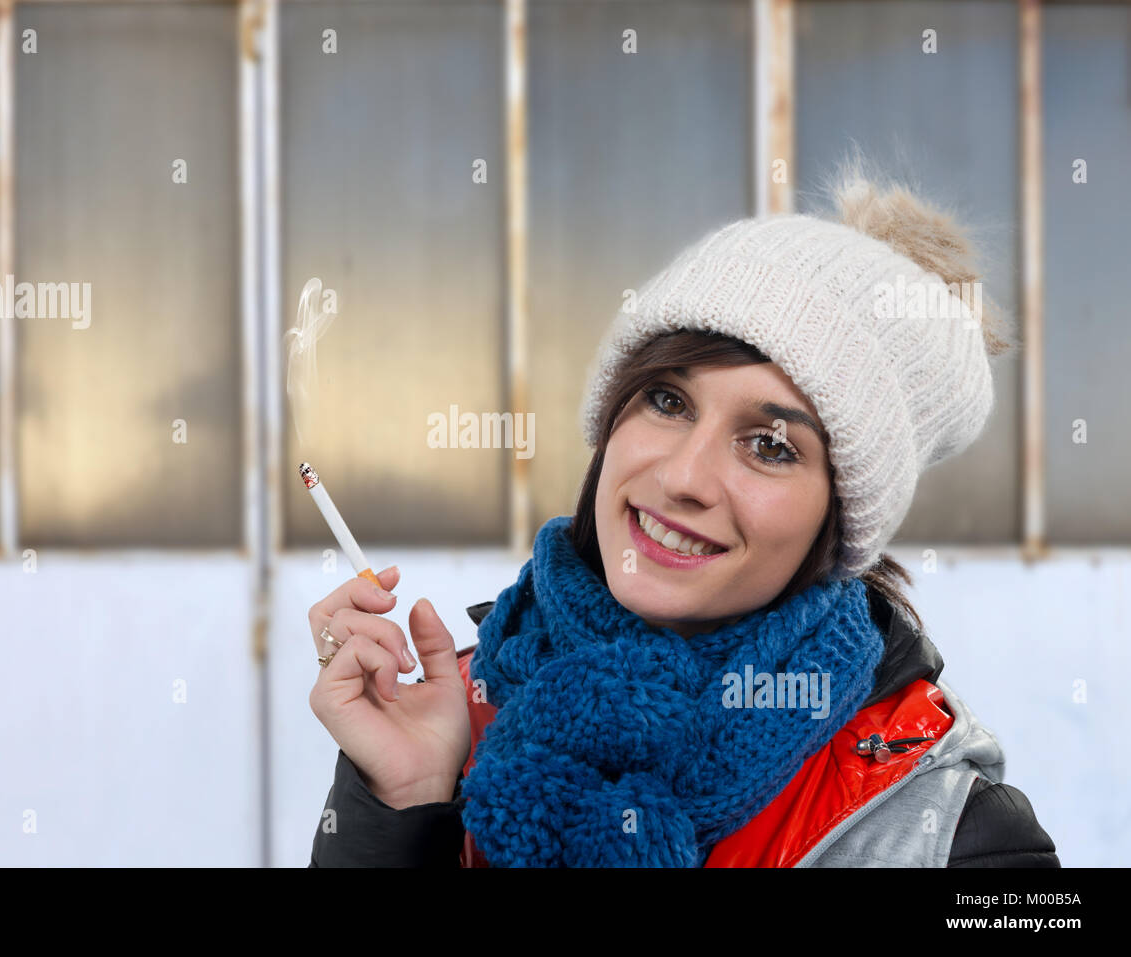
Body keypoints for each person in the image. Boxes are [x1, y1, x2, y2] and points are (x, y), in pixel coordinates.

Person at [306, 159, 1060, 867]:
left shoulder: (952, 831)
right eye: (668, 400)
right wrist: (402, 812)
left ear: (839, 520)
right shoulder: (461, 712)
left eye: (769, 444)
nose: (684, 476)